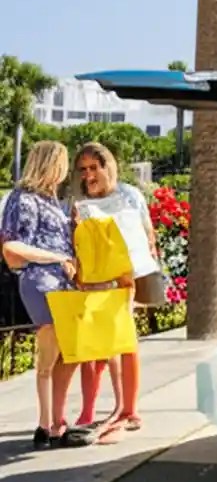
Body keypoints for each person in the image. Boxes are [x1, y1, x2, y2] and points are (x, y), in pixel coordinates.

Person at [0, 140, 91, 448]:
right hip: (43, 282)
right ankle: (47, 426)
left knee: (66, 353)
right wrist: (56, 258)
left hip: (60, 283)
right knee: (50, 355)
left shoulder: (51, 199)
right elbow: (13, 248)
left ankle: (54, 422)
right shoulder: (23, 198)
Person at [69, 142, 159, 432]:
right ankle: (87, 411)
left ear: (108, 167)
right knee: (91, 350)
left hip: (124, 281)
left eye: (94, 168)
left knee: (124, 345)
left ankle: (130, 410)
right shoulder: (78, 204)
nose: (89, 175)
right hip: (91, 283)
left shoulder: (129, 196)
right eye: (83, 169)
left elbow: (147, 236)